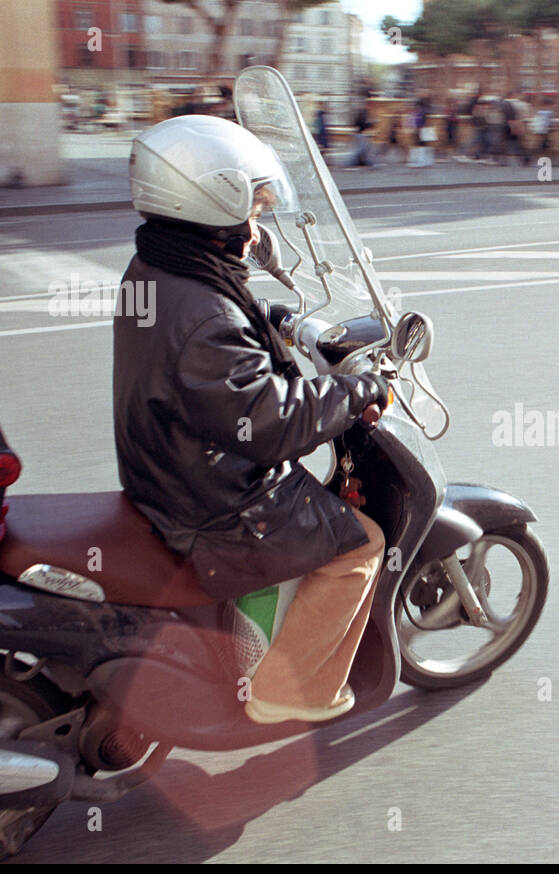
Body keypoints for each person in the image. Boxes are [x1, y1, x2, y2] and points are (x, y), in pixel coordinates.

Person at [115, 115, 389, 724]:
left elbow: (207, 350)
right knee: (361, 545)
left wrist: (265, 316)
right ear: (215, 206)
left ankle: (256, 634)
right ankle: (287, 693)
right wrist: (356, 387)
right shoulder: (207, 314)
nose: (256, 227)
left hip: (167, 466)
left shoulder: (159, 269)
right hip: (214, 502)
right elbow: (274, 426)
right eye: (253, 213)